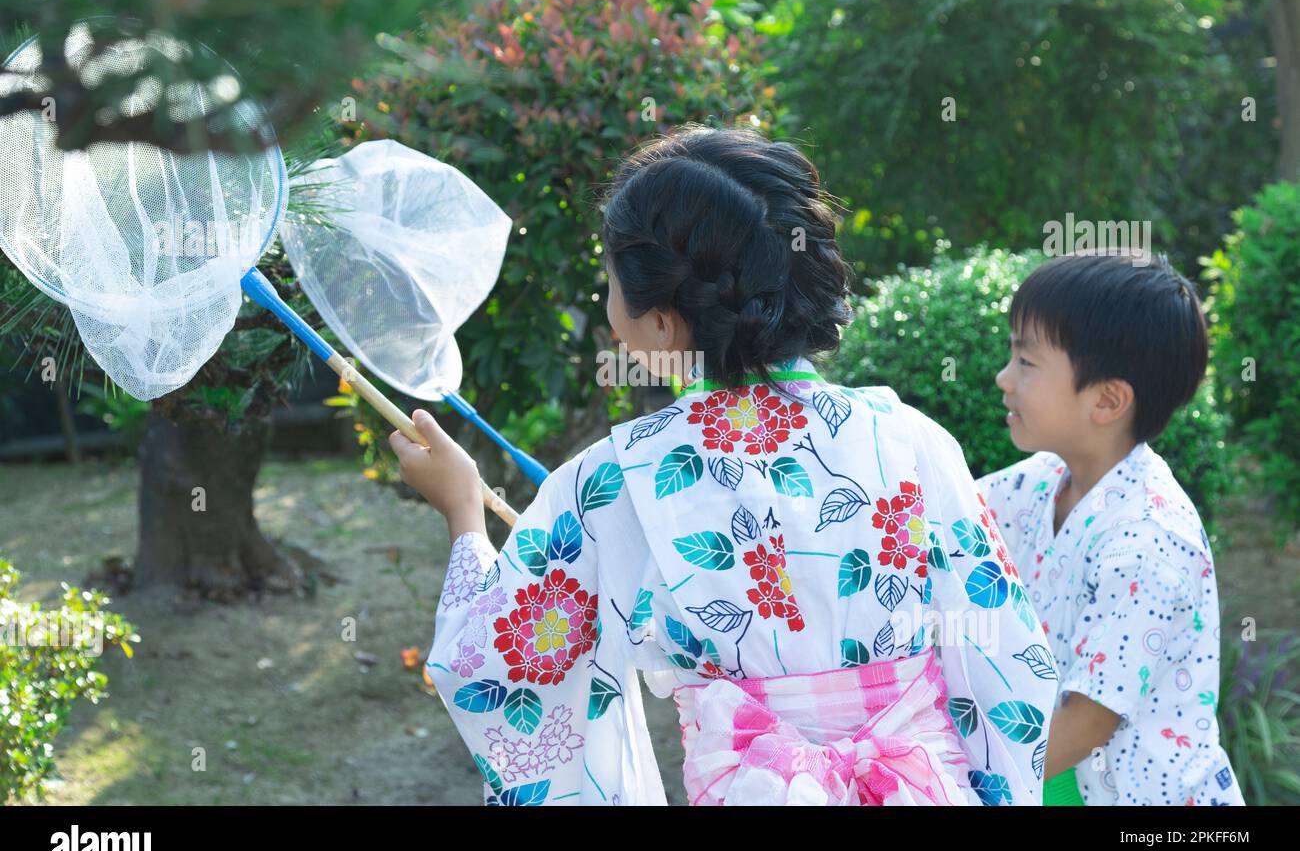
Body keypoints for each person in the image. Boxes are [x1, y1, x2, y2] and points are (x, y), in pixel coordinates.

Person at [390, 125, 1056, 805]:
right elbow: (1010, 664)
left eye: (612, 283)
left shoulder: (612, 480)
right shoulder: (912, 440)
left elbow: (490, 674)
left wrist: (463, 511)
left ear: (661, 322)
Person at [977, 251, 1245, 806]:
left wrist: (972, 782)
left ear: (1107, 400)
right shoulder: (1037, 484)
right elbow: (943, 522)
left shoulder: (1149, 538)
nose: (1004, 378)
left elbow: (1088, 722)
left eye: (1026, 362)